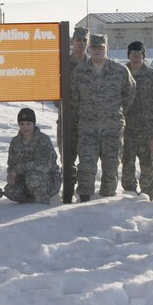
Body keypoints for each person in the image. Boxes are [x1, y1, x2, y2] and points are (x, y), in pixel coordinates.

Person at [70, 34, 136, 202]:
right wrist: (87, 113)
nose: (97, 51)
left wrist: (115, 112)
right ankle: (84, 198)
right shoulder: (79, 72)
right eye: (94, 48)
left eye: (101, 48)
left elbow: (129, 93)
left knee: (111, 166)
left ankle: (107, 200)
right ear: (89, 49)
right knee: (86, 165)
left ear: (107, 48)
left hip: (112, 127)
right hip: (87, 128)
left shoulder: (119, 70)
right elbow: (74, 98)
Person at [121, 41, 153, 198]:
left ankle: (148, 195)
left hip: (147, 130)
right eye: (133, 53)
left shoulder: (152, 75)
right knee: (127, 165)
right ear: (128, 55)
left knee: (147, 166)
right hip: (127, 130)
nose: (136, 56)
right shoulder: (121, 74)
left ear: (144, 55)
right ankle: (129, 196)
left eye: (139, 53)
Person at [55, 27, 88, 203]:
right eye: (78, 39)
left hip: (87, 121)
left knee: (86, 157)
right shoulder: (63, 63)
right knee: (67, 158)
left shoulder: (93, 64)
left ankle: (84, 192)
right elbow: (54, 88)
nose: (81, 43)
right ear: (72, 41)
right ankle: (69, 190)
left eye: (84, 40)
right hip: (67, 119)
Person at [4, 108, 61, 204]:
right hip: (25, 180)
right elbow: (11, 164)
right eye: (22, 124)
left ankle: (42, 203)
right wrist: (11, 175)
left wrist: (17, 170)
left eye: (28, 123)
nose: (25, 127)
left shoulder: (43, 139)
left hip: (47, 180)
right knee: (10, 191)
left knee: (33, 177)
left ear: (33, 124)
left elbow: (43, 166)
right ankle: (30, 200)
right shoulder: (15, 142)